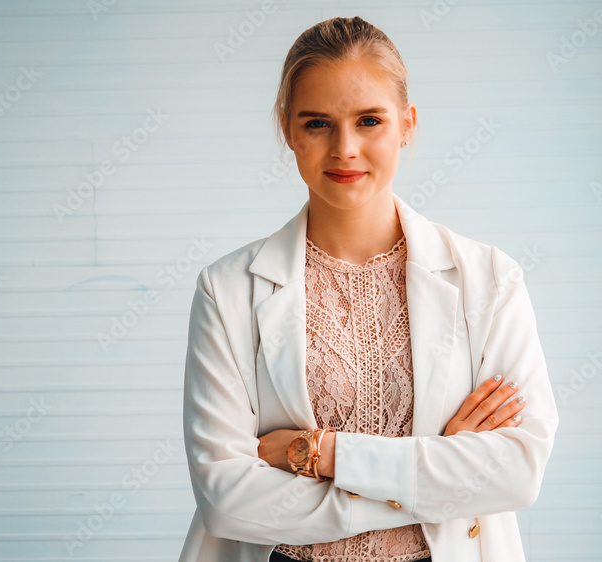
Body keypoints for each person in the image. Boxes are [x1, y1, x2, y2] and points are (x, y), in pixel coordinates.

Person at [180, 16, 559, 562]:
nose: (345, 148)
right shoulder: (227, 290)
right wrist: (438, 475)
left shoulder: (490, 280)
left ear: (407, 124)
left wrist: (324, 453)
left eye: (369, 121)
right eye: (317, 124)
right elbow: (227, 500)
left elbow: (517, 473)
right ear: (288, 129)